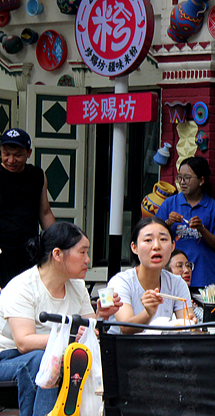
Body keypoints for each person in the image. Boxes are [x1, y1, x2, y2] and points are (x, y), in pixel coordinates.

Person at [0, 222, 121, 416]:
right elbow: (23, 342)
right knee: (44, 360)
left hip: (56, 356)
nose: (88, 260)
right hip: (9, 357)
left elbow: (90, 333)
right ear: (57, 254)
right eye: (82, 252)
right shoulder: (22, 287)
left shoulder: (78, 286)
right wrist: (68, 336)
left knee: (80, 357)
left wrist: (100, 317)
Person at [107, 217, 194, 334]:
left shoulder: (178, 283)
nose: (156, 246)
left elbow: (187, 326)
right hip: (125, 349)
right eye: (148, 240)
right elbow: (125, 327)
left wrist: (191, 325)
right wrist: (148, 313)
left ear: (173, 246)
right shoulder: (120, 282)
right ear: (134, 247)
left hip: (164, 350)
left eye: (163, 239)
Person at [156, 156, 215, 287]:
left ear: (201, 180)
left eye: (187, 178)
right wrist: (167, 223)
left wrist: (202, 229)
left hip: (204, 277)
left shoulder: (214, 207)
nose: (182, 182)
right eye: (179, 177)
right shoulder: (169, 204)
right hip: (173, 277)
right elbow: (153, 236)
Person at [0, 128, 55, 287]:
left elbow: (44, 213)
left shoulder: (37, 175)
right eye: (6, 154)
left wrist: (58, 241)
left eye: (17, 155)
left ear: (29, 153)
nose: (11, 160)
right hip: (3, 251)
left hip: (29, 250)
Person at [165, 249, 203, 321]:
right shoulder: (164, 302)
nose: (186, 270)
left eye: (188, 265)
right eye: (179, 266)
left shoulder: (200, 298)